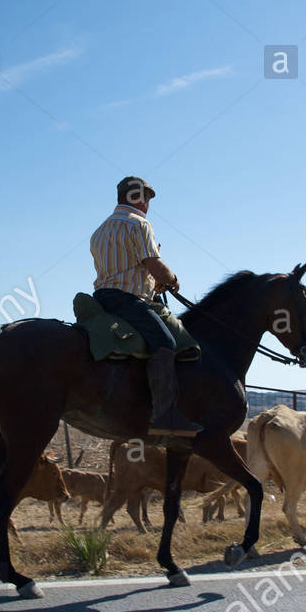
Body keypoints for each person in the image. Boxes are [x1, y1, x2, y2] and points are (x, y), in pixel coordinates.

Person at [90, 176, 202, 438]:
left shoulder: (100, 230)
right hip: (129, 300)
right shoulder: (139, 224)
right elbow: (153, 262)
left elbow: (125, 268)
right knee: (165, 342)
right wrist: (171, 279)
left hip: (102, 299)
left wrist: (153, 282)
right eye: (148, 199)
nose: (148, 205)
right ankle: (166, 415)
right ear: (139, 198)